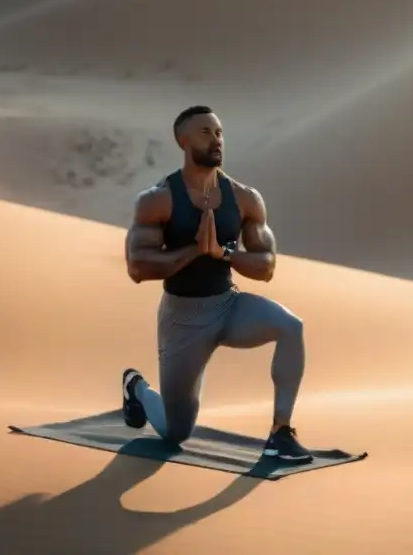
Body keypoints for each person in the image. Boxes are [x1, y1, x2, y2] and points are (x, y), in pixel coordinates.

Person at [121, 105, 313, 462]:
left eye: (220, 132)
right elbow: (137, 267)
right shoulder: (158, 199)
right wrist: (195, 250)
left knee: (290, 326)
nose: (216, 140)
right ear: (183, 140)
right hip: (183, 319)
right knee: (177, 433)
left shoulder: (245, 198)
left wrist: (223, 254)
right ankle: (137, 387)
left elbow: (266, 266)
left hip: (229, 306)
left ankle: (280, 433)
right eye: (205, 132)